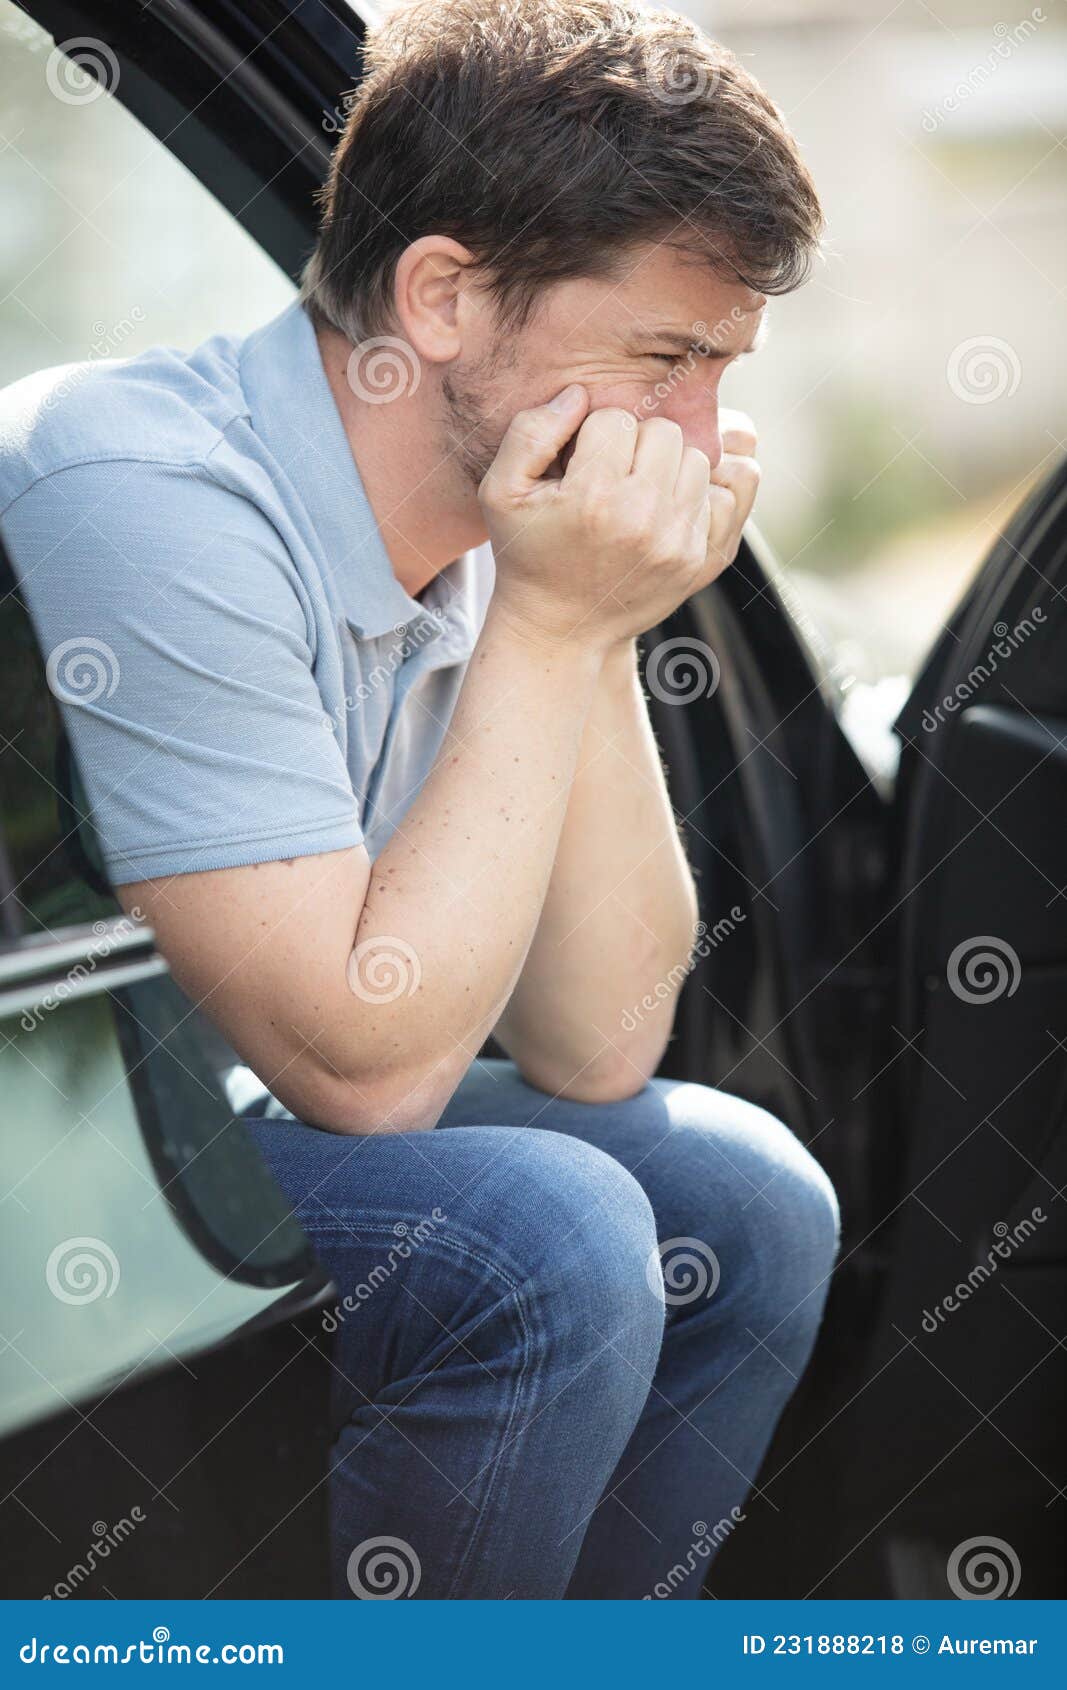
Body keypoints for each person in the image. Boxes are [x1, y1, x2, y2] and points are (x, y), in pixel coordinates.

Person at [0, 0, 838, 1597]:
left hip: (203, 1126)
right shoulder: (144, 486)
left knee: (745, 1196)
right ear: (443, 295)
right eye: (667, 358)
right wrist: (554, 620)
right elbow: (366, 1076)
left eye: (723, 373)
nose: (700, 435)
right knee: (548, 1241)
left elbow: (597, 1045)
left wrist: (582, 627)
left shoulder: (488, 517)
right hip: (56, 1168)